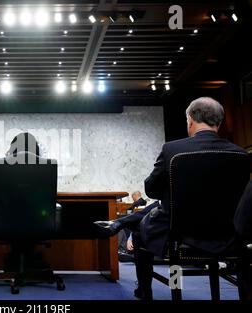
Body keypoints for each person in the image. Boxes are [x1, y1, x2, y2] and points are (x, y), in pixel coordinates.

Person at [94, 97, 247, 299]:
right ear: (219, 122)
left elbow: (151, 190)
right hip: (228, 235)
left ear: (190, 119)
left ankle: (148, 291)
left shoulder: (172, 150)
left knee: (140, 233)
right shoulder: (241, 155)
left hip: (180, 234)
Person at [117, 191, 147, 261]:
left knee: (120, 227)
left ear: (134, 196)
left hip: (136, 227)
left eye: (132, 197)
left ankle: (121, 250)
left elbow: (133, 217)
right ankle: (122, 250)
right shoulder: (145, 203)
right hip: (137, 227)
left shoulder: (137, 204)